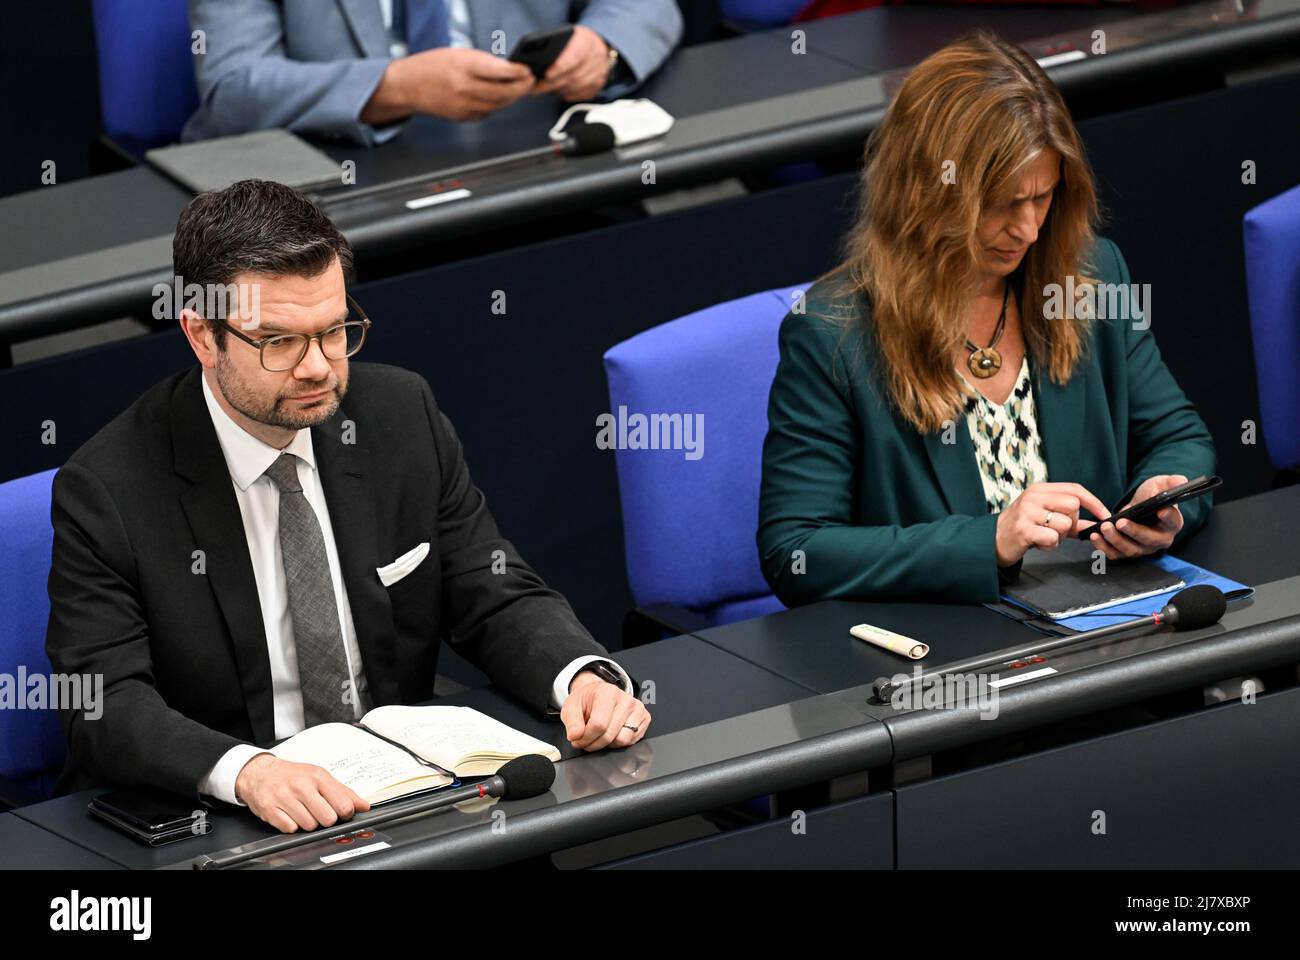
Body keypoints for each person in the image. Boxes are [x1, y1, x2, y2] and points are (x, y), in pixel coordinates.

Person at [46, 179, 650, 834]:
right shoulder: (110, 488)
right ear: (201, 335)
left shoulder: (397, 416)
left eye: (333, 330)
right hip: (234, 819)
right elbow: (103, 703)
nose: (317, 367)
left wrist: (579, 675)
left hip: (399, 795)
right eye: (278, 341)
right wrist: (246, 772)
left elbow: (490, 591)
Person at [757, 32, 1216, 607]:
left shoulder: (1091, 278)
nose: (1027, 229)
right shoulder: (833, 333)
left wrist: (1166, 501)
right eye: (1001, 202)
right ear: (926, 193)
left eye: (1043, 198)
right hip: (950, 658)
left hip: (1101, 617)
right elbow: (796, 552)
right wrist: (988, 541)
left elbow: (1179, 438)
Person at [182, 0, 684, 144]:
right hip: (334, 192)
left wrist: (603, 46)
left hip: (527, 149)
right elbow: (232, 89)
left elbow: (646, 6)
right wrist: (393, 87)